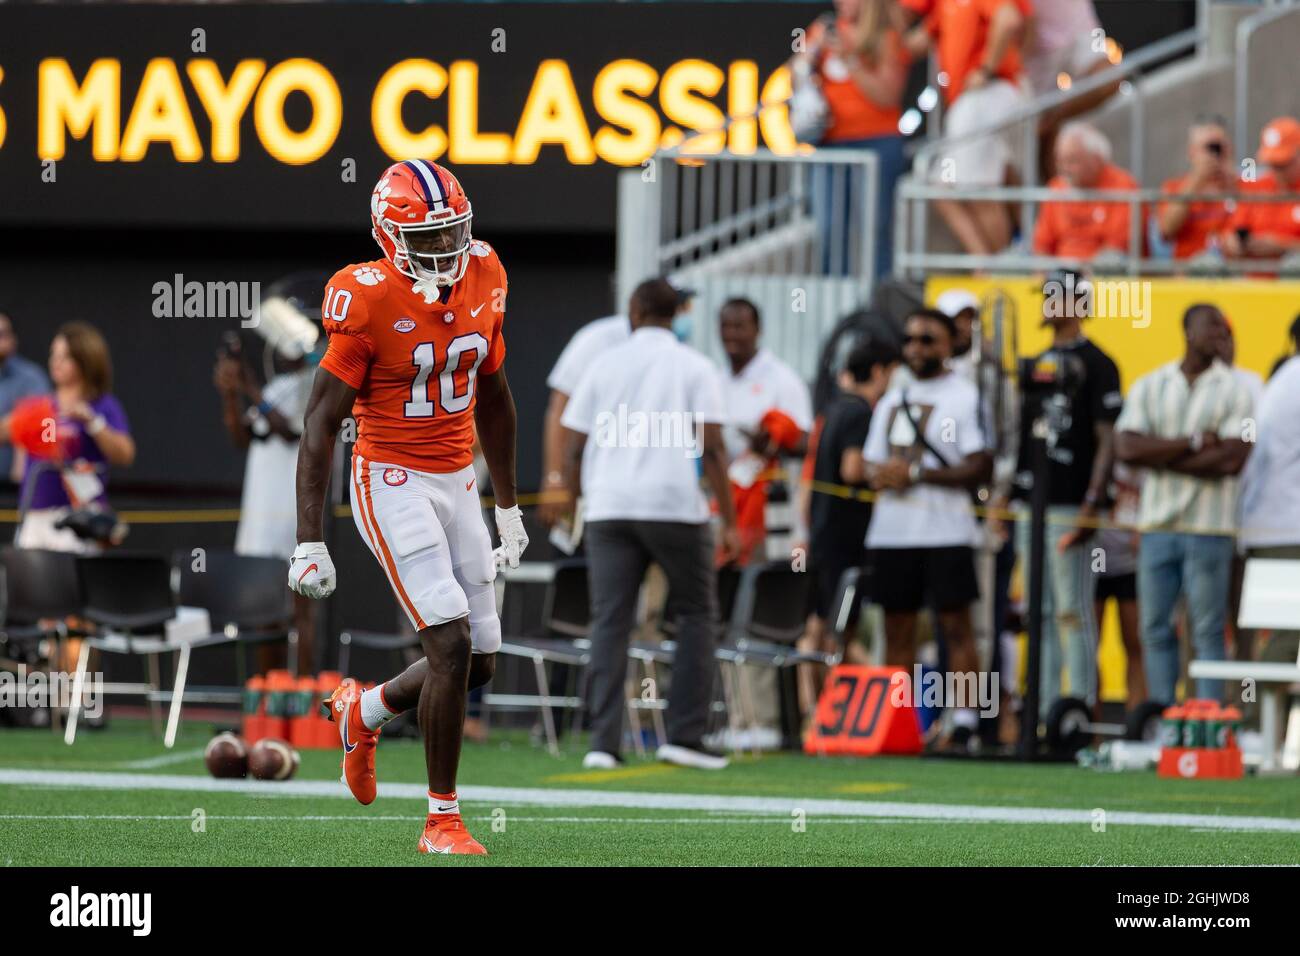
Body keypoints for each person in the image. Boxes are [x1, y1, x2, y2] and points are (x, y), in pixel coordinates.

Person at [289, 160, 527, 856]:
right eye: (427, 236)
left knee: (480, 661)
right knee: (448, 644)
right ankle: (441, 821)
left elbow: (495, 398)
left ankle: (362, 712)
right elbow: (320, 422)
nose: (444, 247)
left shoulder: (486, 271)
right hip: (390, 478)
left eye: (451, 232)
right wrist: (309, 540)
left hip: (458, 477)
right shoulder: (363, 296)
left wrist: (509, 507)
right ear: (388, 237)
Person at [559, 278, 739, 771]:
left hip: (609, 507)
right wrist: (729, 518)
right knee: (697, 615)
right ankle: (684, 737)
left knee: (610, 622)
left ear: (634, 311)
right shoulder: (696, 365)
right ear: (676, 314)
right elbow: (713, 448)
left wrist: (574, 503)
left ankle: (602, 744)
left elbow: (572, 446)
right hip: (675, 506)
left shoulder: (603, 364)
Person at [863, 308, 992, 749]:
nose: (916, 348)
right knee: (896, 629)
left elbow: (979, 465)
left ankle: (966, 721)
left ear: (949, 344)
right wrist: (879, 474)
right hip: (892, 531)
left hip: (946, 530)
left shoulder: (965, 395)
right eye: (910, 339)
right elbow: (870, 462)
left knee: (957, 627)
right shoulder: (891, 398)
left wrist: (917, 475)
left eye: (927, 339)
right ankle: (898, 722)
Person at [1114, 304, 1253, 705]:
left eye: (1223, 328)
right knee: (1155, 628)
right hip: (1157, 528)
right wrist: (1193, 443)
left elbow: (1233, 459)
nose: (1219, 334)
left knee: (1207, 630)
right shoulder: (1152, 384)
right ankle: (1162, 719)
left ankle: (1207, 721)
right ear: (1188, 331)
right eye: (1212, 326)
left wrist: (1159, 455)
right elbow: (1126, 447)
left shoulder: (1236, 390)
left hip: (1210, 529)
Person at [1011, 272, 1122, 717]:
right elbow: (1021, 437)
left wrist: (1092, 503)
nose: (1047, 304)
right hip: (1032, 502)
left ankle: (1078, 708)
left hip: (1071, 501)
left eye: (1056, 297)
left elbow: (1107, 439)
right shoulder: (1036, 363)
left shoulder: (1098, 363)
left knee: (1072, 608)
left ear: (1079, 304)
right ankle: (1040, 710)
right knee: (1037, 610)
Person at [797, 337, 900, 714]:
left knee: (817, 627)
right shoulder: (859, 413)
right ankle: (840, 711)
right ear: (878, 371)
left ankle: (813, 710)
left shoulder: (832, 411)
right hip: (846, 538)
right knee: (839, 632)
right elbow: (852, 469)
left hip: (824, 533)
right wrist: (889, 474)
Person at [538, 287, 693, 528]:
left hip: (651, 491)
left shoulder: (678, 349)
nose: (682, 314)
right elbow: (561, 409)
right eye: (677, 307)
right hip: (597, 482)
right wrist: (556, 479)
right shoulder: (599, 341)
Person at [214, 328, 316, 674]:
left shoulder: (314, 383)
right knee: (264, 613)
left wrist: (249, 386)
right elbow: (241, 437)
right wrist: (230, 394)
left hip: (293, 515)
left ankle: (303, 694)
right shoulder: (275, 388)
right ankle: (268, 692)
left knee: (300, 611)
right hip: (261, 517)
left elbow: (288, 430)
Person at [900, 0, 1030, 255]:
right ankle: (984, 263)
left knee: (979, 191)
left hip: (987, 94)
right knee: (940, 186)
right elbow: (913, 45)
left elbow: (1009, 18)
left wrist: (986, 69)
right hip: (967, 102)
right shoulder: (943, 5)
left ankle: (1000, 268)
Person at [794, 0, 911, 278]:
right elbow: (793, 76)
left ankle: (879, 295)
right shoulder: (824, 29)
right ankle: (835, 296)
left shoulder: (887, 36)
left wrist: (850, 59)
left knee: (876, 228)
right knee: (829, 229)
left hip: (877, 144)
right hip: (830, 145)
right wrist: (808, 57)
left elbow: (887, 95)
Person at [10, 322, 134, 553]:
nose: (55, 362)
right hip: (36, 514)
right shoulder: (40, 406)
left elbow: (125, 454)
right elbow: (15, 435)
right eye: (54, 355)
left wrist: (93, 423)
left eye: (65, 357)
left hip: (79, 517)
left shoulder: (102, 405)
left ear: (85, 360)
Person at [717, 298, 813, 564]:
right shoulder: (716, 380)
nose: (731, 334)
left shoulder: (782, 380)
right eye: (725, 326)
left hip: (773, 509)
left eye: (739, 326)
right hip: (728, 503)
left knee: (766, 577)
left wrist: (771, 442)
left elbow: (807, 441)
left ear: (757, 330)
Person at [1236, 348, 1300, 661]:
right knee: (1287, 635)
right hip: (1284, 531)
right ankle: (1259, 696)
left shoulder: (1286, 378)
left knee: (1279, 633)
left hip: (1272, 526)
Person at [1033, 123, 1144, 262]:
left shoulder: (1123, 186)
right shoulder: (1056, 188)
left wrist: (1083, 272)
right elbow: (1042, 244)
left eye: (1072, 161)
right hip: (1062, 269)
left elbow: (1119, 245)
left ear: (1096, 160)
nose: (1064, 168)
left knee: (1111, 262)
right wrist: (1043, 272)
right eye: (1060, 161)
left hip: (1102, 270)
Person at [1158, 117, 1239, 260]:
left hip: (1230, 269)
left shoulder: (1243, 185)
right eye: (1209, 148)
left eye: (1219, 148)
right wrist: (1195, 182)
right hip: (1189, 268)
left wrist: (1232, 183)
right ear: (1192, 152)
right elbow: (1166, 231)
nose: (1215, 155)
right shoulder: (1174, 187)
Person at [1224, 117, 1300, 262]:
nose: (1277, 172)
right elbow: (1230, 233)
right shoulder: (1256, 189)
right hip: (1253, 274)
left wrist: (1283, 246)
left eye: (1283, 164)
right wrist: (1236, 244)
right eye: (1272, 164)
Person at [0, 312, 52, 484]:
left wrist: (19, 425)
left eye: (2, 334)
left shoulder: (31, 378)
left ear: (13, 340)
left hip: (17, 485)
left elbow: (40, 425)